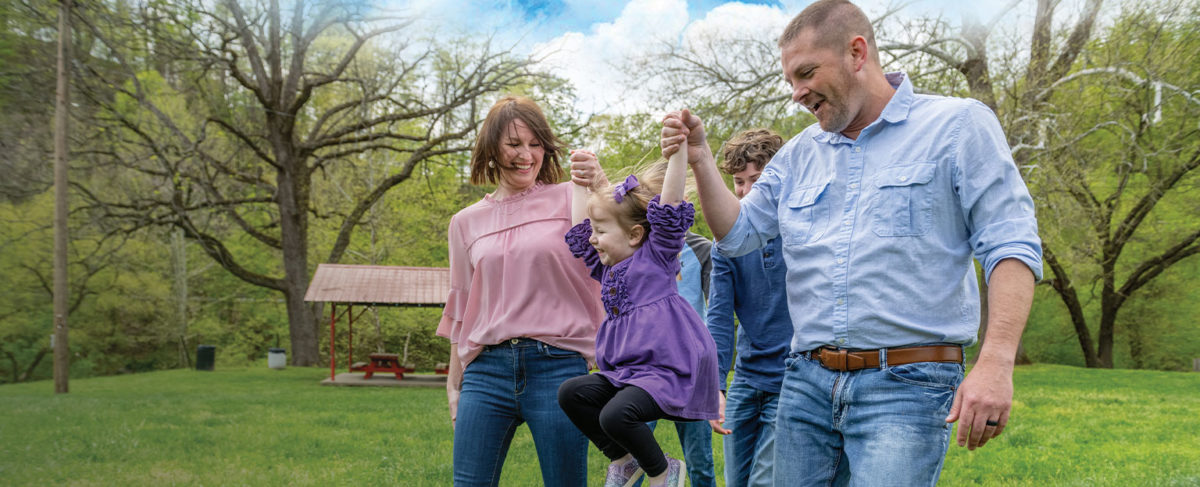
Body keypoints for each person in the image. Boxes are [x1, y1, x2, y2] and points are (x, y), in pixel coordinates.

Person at [660, 0, 1043, 484]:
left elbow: (1011, 244)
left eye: (806, 73)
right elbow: (737, 235)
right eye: (790, 81)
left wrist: (996, 362)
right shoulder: (799, 155)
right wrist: (700, 159)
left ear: (857, 53)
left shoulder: (957, 126)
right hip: (803, 383)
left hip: (906, 384)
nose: (797, 93)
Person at [437, 95, 607, 487]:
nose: (526, 155)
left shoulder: (570, 196)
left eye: (535, 144)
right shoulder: (464, 223)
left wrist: (599, 182)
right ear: (492, 148)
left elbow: (615, 245)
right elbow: (463, 306)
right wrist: (453, 382)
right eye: (514, 144)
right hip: (486, 371)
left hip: (559, 367)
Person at [557, 156, 721, 487]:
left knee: (616, 416)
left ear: (634, 234)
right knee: (572, 393)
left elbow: (671, 208)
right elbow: (579, 230)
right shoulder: (607, 270)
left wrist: (677, 154)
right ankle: (624, 460)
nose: (592, 238)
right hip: (627, 372)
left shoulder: (658, 256)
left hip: (668, 368)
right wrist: (578, 184)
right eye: (594, 230)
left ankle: (663, 471)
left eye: (601, 231)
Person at [704, 129, 792, 487]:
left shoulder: (801, 233)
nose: (746, 191)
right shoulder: (724, 244)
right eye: (739, 182)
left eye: (756, 179)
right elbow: (720, 316)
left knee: (764, 482)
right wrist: (715, 383)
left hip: (790, 379)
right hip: (746, 379)